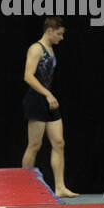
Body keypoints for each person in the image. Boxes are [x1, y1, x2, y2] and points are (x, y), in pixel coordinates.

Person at [21, 17, 76, 198]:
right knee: (35, 145)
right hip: (37, 99)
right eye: (59, 34)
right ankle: (25, 185)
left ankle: (60, 187)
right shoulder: (36, 49)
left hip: (48, 100)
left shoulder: (51, 49)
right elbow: (28, 76)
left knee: (59, 143)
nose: (61, 37)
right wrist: (47, 94)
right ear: (49, 31)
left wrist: (48, 96)